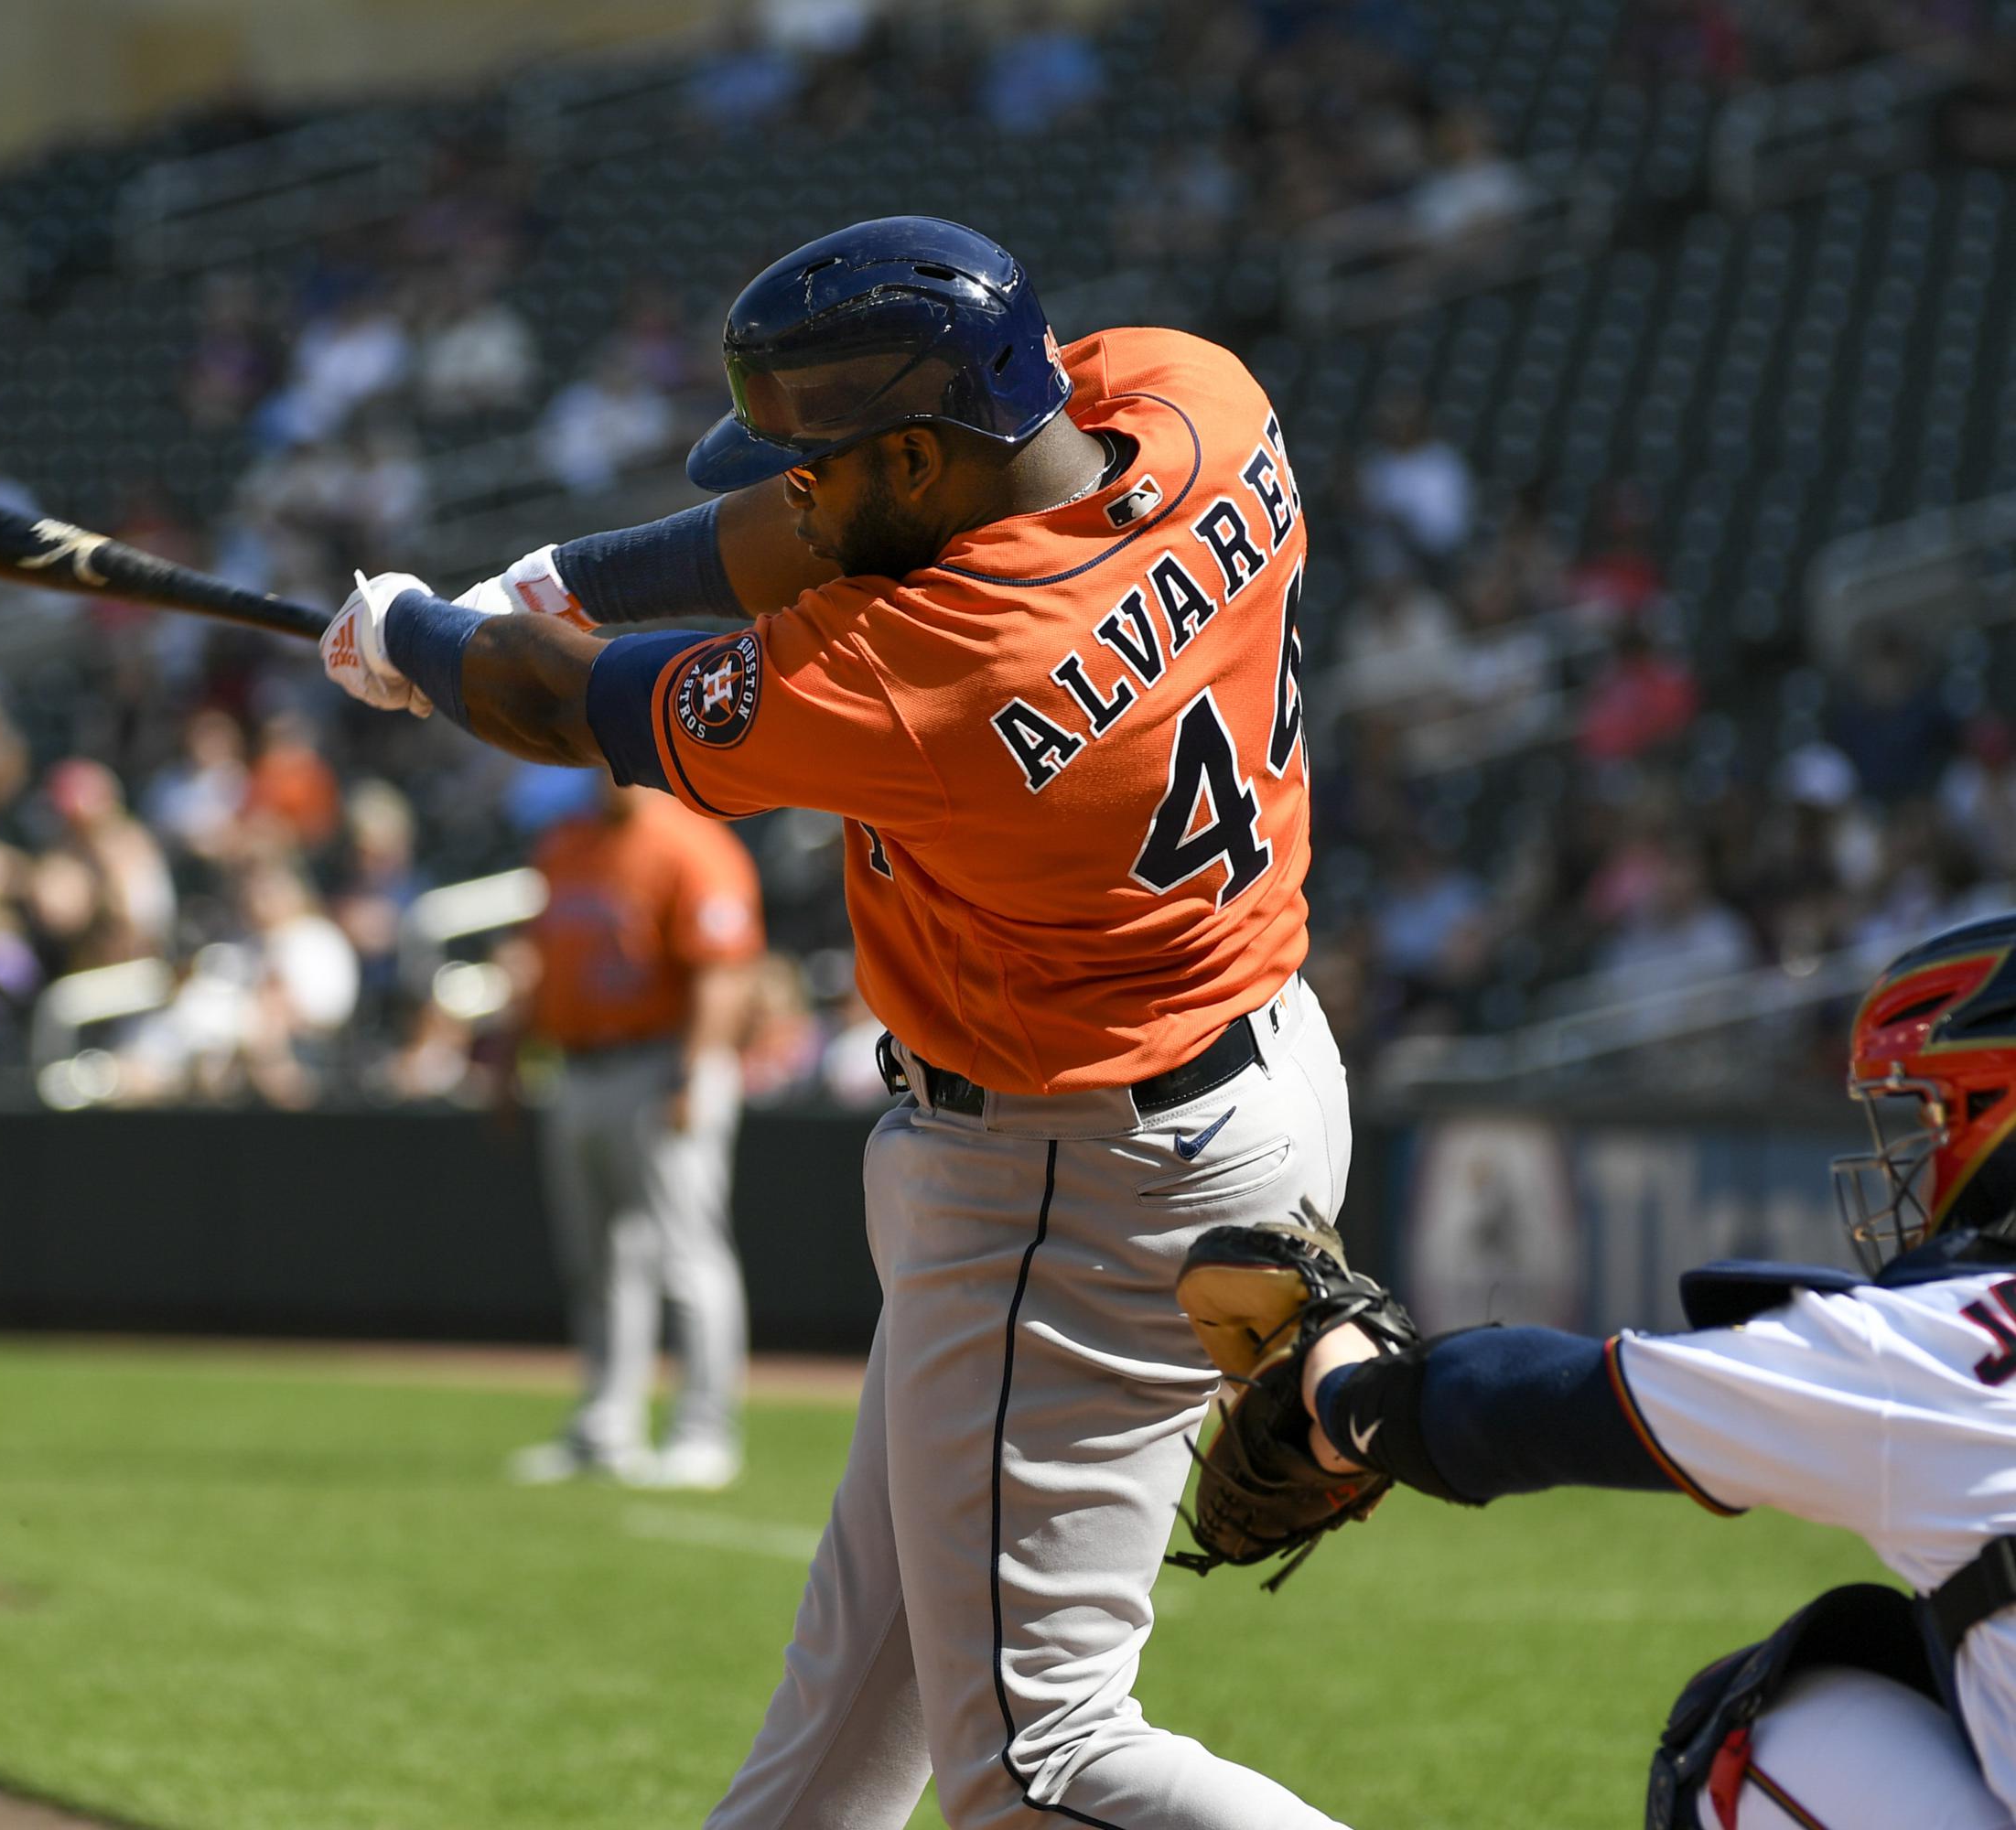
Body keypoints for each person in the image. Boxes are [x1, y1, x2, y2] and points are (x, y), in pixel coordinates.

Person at [319, 217, 1343, 1830]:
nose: (791, 485)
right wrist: (562, 576)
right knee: (852, 1697)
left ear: (929, 457)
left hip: (1076, 1170)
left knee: (1040, 1760)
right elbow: (808, 532)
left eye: (822, 460)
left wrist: (415, 642)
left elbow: (560, 705)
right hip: (1249, 1058)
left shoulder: (927, 665)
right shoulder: (1197, 396)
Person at [1286, 911, 2016, 1830]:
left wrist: (1341, 1387)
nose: (1905, 1150)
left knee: (1752, 1736)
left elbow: (1531, 1407)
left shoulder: (1928, 1347)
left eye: (1930, 1109)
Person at [512, 775, 763, 1491]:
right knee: (598, 1260)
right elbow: (542, 953)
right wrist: (513, 1052)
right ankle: (606, 1426)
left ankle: (705, 1432)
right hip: (579, 1065)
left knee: (688, 1257)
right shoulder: (567, 839)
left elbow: (726, 970)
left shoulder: (691, 841)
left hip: (664, 1063)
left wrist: (694, 1074)